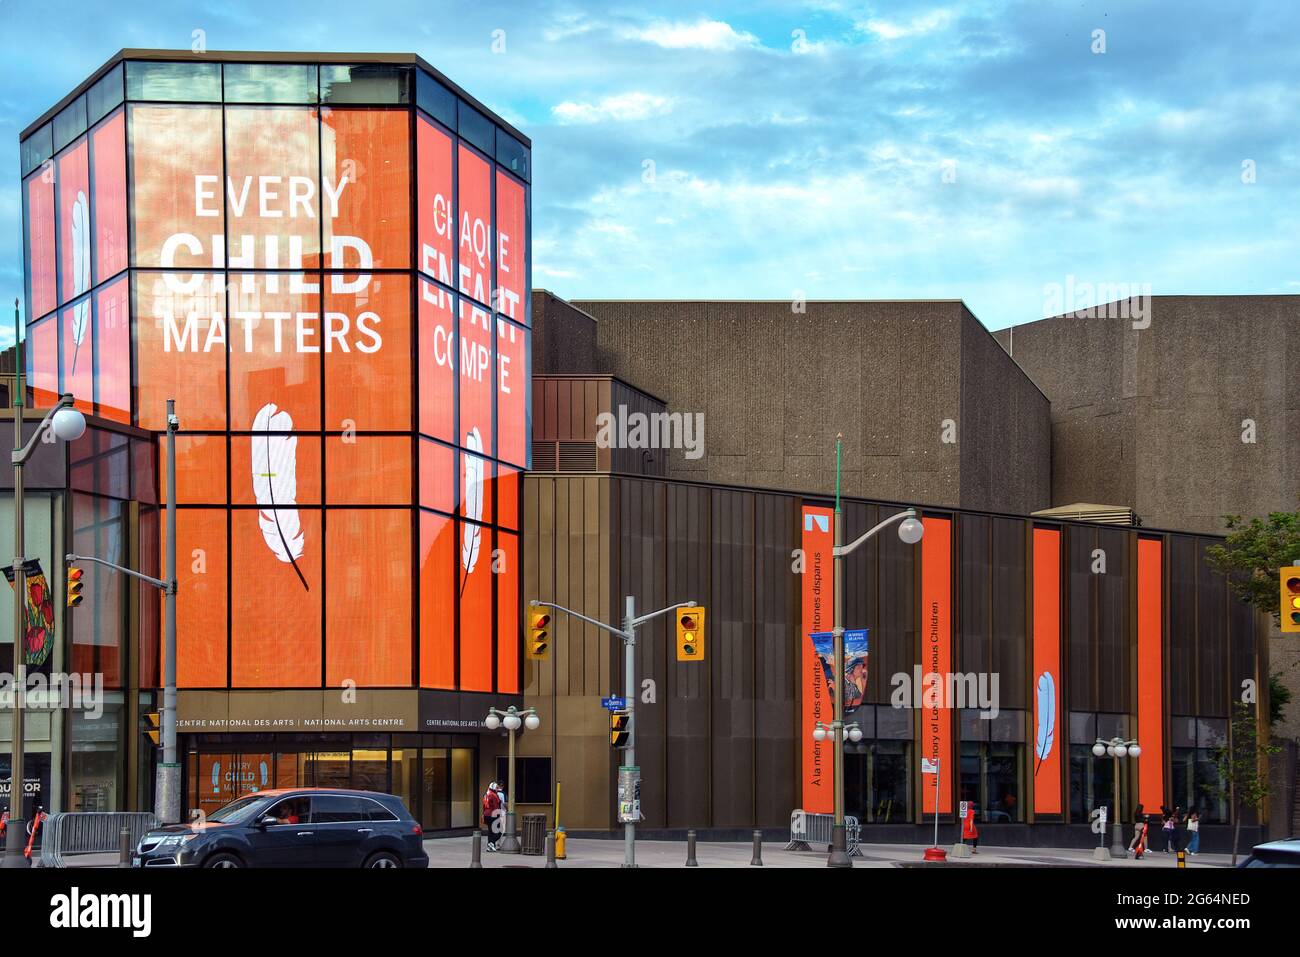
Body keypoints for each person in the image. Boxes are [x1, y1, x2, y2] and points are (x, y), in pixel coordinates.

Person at [482, 783, 502, 851]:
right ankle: (491, 843)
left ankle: (490, 846)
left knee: (490, 831)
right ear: (493, 788)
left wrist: (483, 814)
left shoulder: (486, 794)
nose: (497, 789)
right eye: (496, 787)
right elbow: (496, 806)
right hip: (492, 815)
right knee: (500, 831)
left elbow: (484, 806)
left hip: (486, 815)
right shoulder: (493, 795)